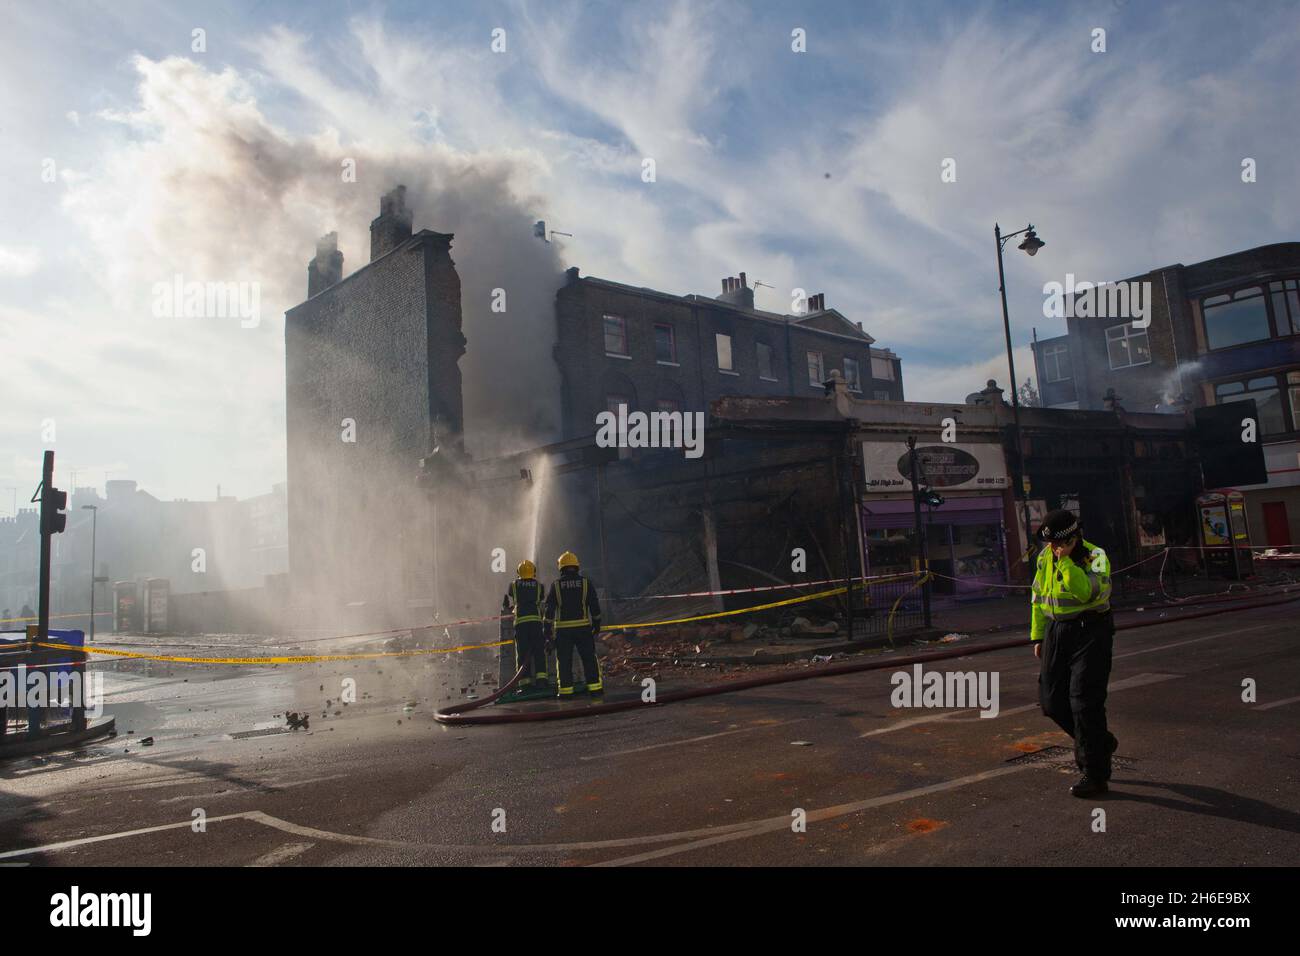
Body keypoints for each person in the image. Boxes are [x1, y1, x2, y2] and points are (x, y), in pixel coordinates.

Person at [1031, 509, 1118, 797]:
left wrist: (1066, 561)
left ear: (1072, 538)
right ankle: (1100, 741)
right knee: (1052, 701)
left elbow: (1084, 593)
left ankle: (1094, 775)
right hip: (1057, 631)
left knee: (1084, 702)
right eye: (1048, 544)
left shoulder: (1096, 556)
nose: (1050, 549)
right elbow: (1038, 596)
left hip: (1091, 631)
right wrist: (1039, 635)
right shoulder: (1044, 557)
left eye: (1056, 544)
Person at [543, 551, 603, 698]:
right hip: (583, 629)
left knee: (564, 662)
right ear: (576, 566)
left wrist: (547, 634)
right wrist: (596, 626)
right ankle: (595, 689)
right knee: (589, 659)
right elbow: (595, 607)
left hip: (563, 631)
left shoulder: (556, 586)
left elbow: (549, 612)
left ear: (561, 568)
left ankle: (565, 692)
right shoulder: (585, 583)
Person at [503, 560, 549, 691]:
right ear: (533, 572)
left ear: (519, 572)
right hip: (535, 623)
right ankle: (542, 681)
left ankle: (525, 684)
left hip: (521, 623)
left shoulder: (513, 585)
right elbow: (540, 599)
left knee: (523, 654)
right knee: (539, 652)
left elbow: (511, 595)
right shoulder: (539, 586)